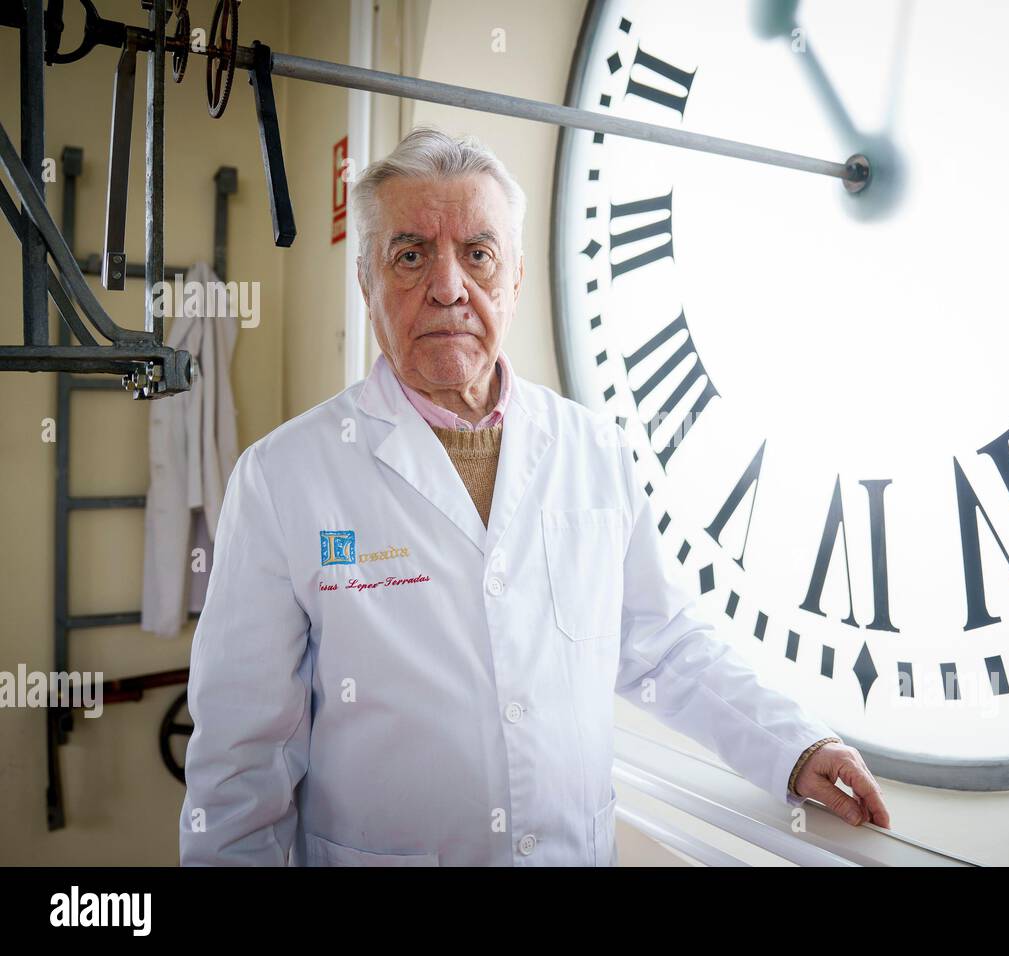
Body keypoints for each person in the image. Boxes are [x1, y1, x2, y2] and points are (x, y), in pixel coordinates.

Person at [179, 127, 890, 866]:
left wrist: (795, 745)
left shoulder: (594, 452)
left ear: (514, 279)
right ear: (367, 281)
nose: (449, 287)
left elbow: (663, 646)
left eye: (478, 255)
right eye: (411, 254)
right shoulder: (284, 478)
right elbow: (241, 758)